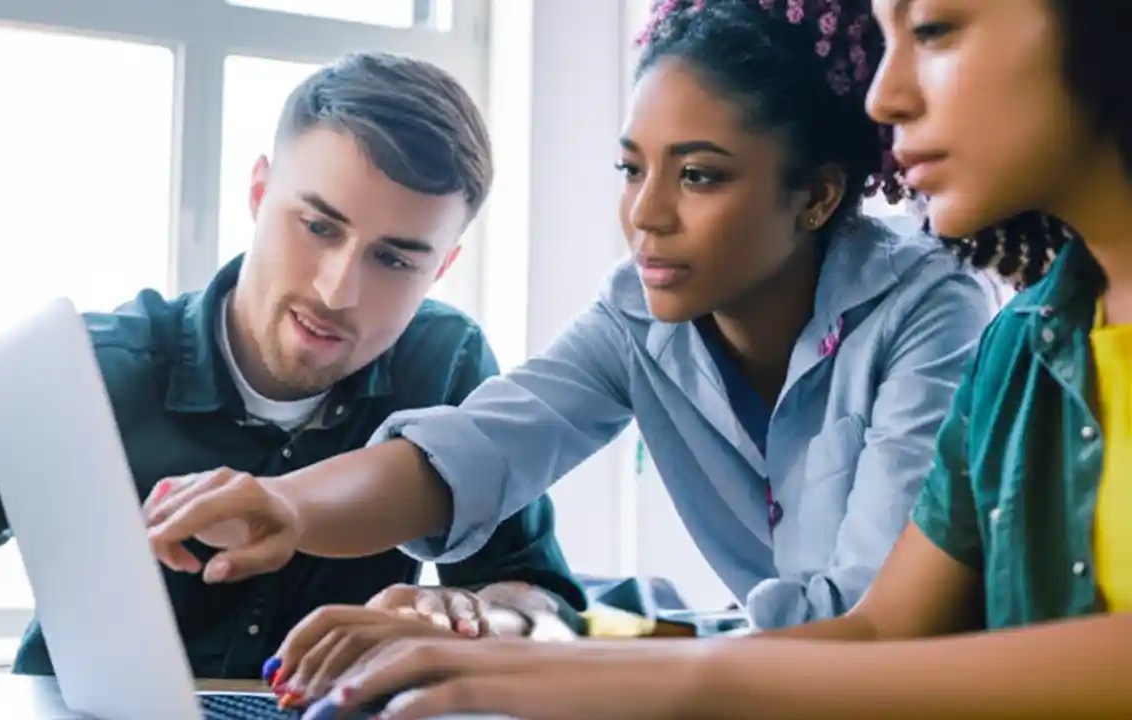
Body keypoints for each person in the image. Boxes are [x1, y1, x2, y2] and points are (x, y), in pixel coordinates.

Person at [261, 1, 1132, 718]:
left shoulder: (942, 315)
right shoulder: (1025, 344)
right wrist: (279, 506)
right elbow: (480, 446)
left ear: (820, 195)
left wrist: (576, 660)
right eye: (629, 168)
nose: (885, 98)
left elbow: (873, 629)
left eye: (937, 30)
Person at [0, 52, 584, 680]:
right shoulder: (87, 371)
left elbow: (539, 604)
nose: (338, 291)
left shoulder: (446, 363)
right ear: (261, 192)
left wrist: (476, 619)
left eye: (394, 258)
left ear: (444, 266)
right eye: (318, 226)